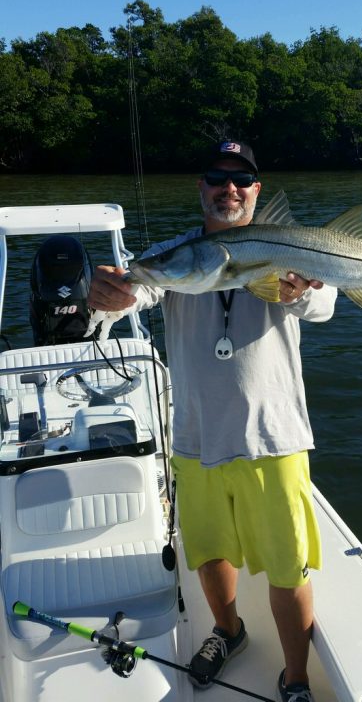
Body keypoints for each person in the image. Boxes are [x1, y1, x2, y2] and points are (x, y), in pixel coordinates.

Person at [87, 140, 337, 702]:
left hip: (273, 437)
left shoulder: (285, 247)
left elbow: (325, 305)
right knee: (208, 550)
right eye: (218, 178)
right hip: (195, 436)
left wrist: (300, 294)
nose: (230, 188)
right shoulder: (173, 255)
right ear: (201, 188)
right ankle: (228, 631)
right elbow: (137, 289)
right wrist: (103, 293)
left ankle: (295, 678)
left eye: (241, 180)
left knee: (287, 567)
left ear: (256, 191)